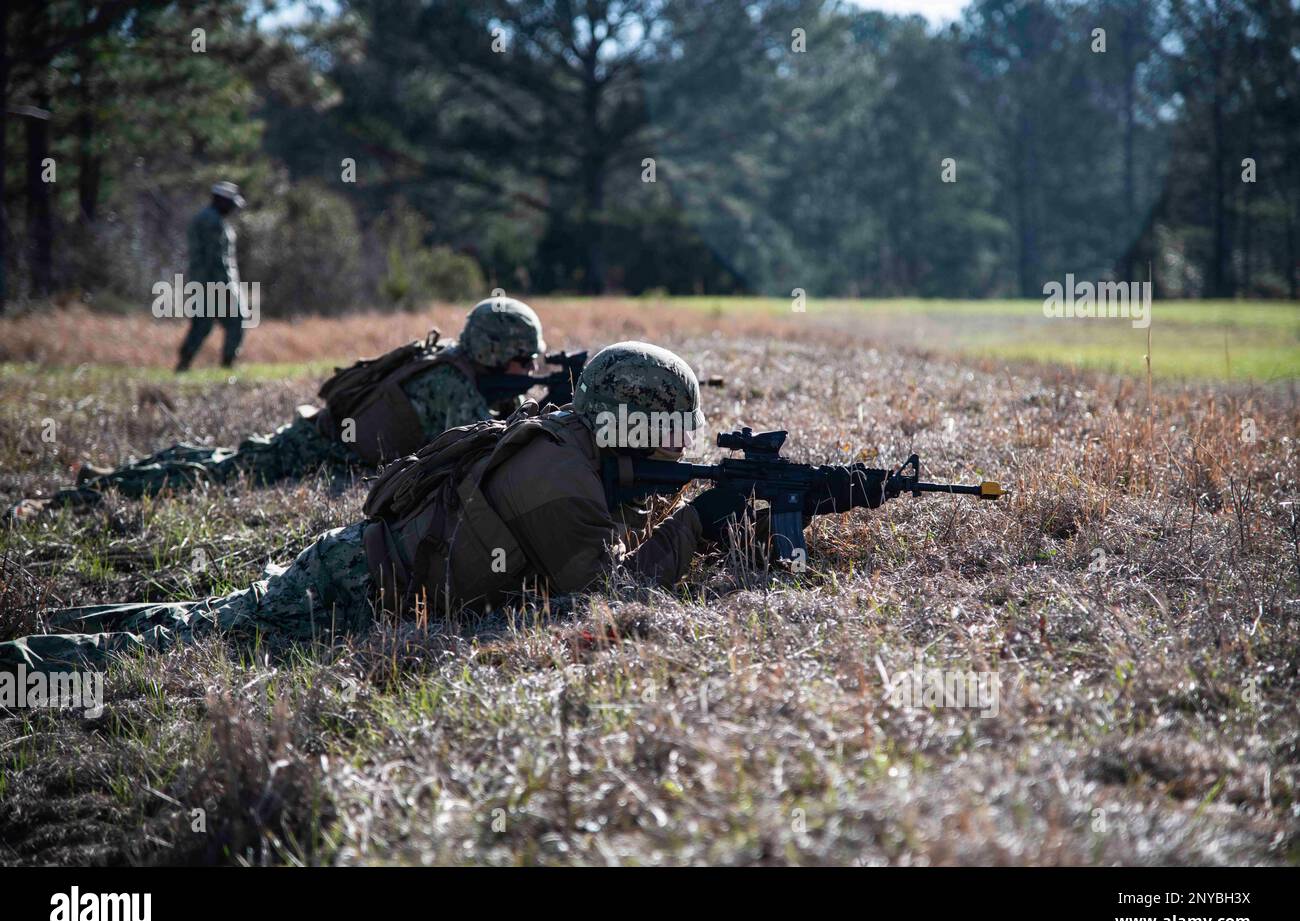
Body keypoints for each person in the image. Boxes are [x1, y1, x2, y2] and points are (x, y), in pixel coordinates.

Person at [0, 342, 883, 672]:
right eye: (664, 434)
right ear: (627, 422)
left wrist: (708, 510)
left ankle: (75, 624)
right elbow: (603, 604)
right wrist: (698, 523)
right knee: (181, 646)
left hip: (367, 566)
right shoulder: (564, 481)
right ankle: (28, 662)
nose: (672, 452)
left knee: (200, 623)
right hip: (352, 592)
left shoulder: (573, 447)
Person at [8, 297, 548, 522]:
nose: (526, 370)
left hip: (319, 437)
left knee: (212, 459)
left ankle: (101, 480)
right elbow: (477, 452)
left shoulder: (453, 366)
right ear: (496, 352)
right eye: (522, 359)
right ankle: (74, 497)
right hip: (313, 451)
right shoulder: (454, 388)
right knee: (213, 469)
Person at [177, 181, 247, 372]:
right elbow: (216, 258)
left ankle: (184, 365)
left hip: (204, 282)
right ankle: (227, 366)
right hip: (215, 284)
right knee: (236, 320)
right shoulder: (212, 221)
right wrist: (225, 286)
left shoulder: (207, 218)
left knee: (202, 325)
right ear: (221, 200)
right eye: (230, 203)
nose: (233, 208)